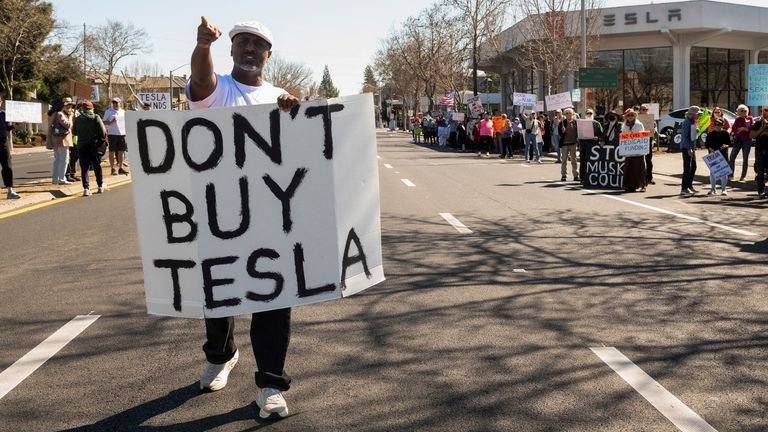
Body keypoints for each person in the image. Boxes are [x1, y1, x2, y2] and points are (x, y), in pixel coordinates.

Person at [187, 16, 299, 419]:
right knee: (219, 296)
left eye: (257, 44)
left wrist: (293, 111)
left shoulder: (279, 95)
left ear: (268, 54)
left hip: (271, 217)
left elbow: (299, 153)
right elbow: (200, 84)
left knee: (274, 299)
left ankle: (270, 383)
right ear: (232, 50)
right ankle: (221, 355)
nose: (249, 49)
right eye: (242, 43)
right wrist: (203, 46)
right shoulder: (218, 90)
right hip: (220, 216)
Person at [72, 100, 107, 196]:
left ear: (83, 109)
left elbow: (74, 132)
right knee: (97, 166)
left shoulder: (78, 119)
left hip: (82, 145)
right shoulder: (96, 117)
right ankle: (100, 186)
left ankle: (86, 188)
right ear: (92, 108)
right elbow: (103, 131)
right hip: (94, 146)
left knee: (84, 167)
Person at [46, 98, 75, 185]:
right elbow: (68, 125)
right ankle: (61, 178)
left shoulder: (52, 114)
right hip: (62, 140)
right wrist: (70, 116)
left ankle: (55, 179)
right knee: (64, 160)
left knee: (57, 160)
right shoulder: (60, 114)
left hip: (55, 139)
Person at [621, 108, 646, 192]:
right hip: (629, 150)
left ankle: (643, 185)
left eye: (632, 115)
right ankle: (630, 185)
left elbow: (642, 136)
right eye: (629, 115)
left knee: (640, 167)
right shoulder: (624, 125)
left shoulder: (639, 124)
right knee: (629, 167)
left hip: (637, 149)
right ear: (626, 117)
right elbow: (623, 136)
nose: (630, 117)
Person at [0, 94, 20, 199]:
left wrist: (15, 125)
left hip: (3, 142)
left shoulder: (4, 114)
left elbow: (8, 128)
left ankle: (10, 190)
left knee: (7, 166)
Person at [103, 97, 128, 176]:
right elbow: (104, 121)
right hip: (112, 134)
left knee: (121, 151)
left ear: (120, 103)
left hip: (122, 134)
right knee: (112, 152)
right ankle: (112, 169)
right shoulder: (109, 111)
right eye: (114, 103)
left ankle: (120, 168)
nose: (115, 104)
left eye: (117, 103)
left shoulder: (123, 112)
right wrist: (111, 121)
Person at [705, 118, 730, 195]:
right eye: (715, 125)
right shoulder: (710, 134)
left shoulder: (725, 133)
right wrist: (710, 148)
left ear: (722, 125)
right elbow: (707, 144)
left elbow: (729, 143)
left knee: (724, 172)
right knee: (713, 172)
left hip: (723, 155)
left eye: (719, 125)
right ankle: (713, 189)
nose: (717, 126)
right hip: (713, 155)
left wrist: (725, 146)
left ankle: (724, 189)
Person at [729, 104, 753, 182]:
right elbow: (734, 129)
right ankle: (731, 175)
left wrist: (744, 129)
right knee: (732, 157)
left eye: (745, 111)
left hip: (747, 141)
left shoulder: (750, 118)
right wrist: (739, 130)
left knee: (745, 158)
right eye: (742, 111)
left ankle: (743, 176)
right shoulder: (738, 119)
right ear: (739, 112)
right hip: (738, 140)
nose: (744, 112)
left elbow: (752, 127)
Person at [579, 108, 603, 183]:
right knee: (583, 162)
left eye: (590, 113)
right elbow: (578, 133)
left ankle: (593, 178)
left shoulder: (597, 124)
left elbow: (601, 134)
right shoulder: (581, 123)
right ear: (585, 115)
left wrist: (598, 138)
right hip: (584, 146)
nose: (589, 115)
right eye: (587, 113)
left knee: (593, 163)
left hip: (593, 146)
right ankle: (582, 178)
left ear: (593, 115)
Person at [680, 105, 700, 196]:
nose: (698, 115)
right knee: (687, 168)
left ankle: (689, 186)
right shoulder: (686, 122)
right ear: (692, 114)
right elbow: (684, 137)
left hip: (692, 147)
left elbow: (694, 133)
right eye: (697, 114)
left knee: (693, 167)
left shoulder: (694, 121)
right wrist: (689, 149)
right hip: (687, 147)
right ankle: (684, 188)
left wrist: (697, 130)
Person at [749, 105, 768, 199]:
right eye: (763, 110)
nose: (764, 112)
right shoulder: (758, 123)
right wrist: (761, 129)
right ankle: (761, 191)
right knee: (760, 173)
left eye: (766, 110)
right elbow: (751, 135)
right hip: (760, 150)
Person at [558, 108, 578, 181]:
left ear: (573, 114)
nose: (569, 114)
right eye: (567, 113)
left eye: (570, 113)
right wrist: (563, 131)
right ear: (565, 115)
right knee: (564, 160)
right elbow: (560, 134)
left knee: (574, 160)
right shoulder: (562, 123)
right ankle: (564, 175)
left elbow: (578, 132)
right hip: (565, 144)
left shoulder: (576, 122)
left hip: (573, 143)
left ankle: (576, 175)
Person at [638, 104, 656, 184]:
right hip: (639, 141)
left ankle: (649, 177)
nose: (645, 111)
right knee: (639, 160)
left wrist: (654, 129)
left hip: (648, 140)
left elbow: (654, 129)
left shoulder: (651, 119)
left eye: (646, 109)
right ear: (640, 110)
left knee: (649, 160)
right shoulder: (637, 119)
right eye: (643, 109)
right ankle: (640, 178)